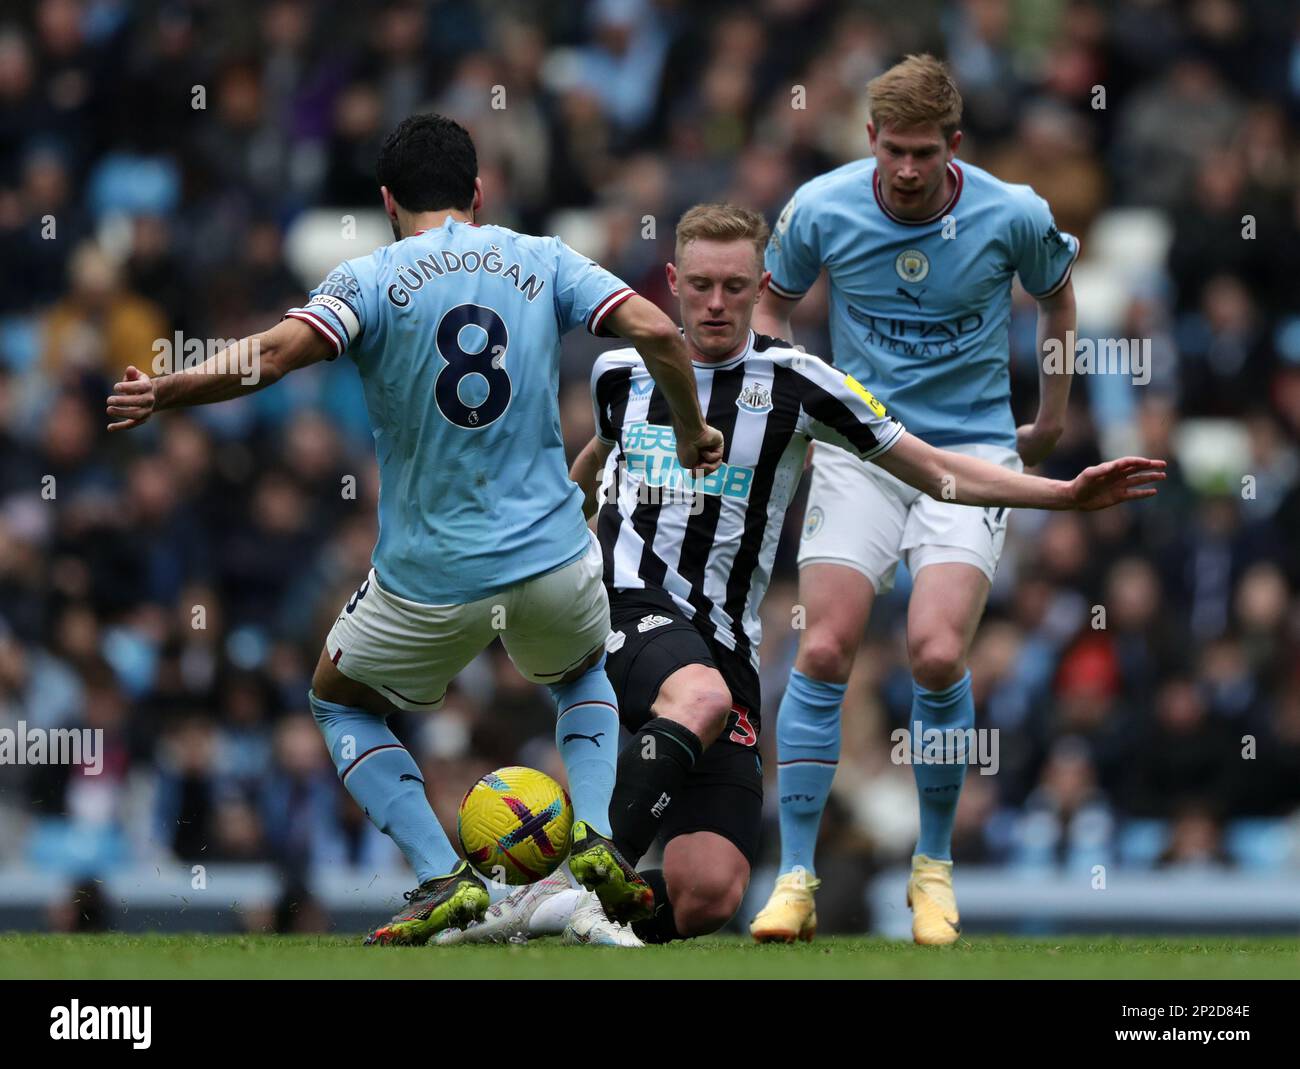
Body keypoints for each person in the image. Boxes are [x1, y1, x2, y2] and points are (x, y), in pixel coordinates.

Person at [439, 203, 1161, 946]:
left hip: (724, 639)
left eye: (734, 286)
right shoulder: (621, 369)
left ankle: (517, 920)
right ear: (673, 282)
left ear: (761, 288)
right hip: (620, 604)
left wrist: (1064, 495)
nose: (716, 303)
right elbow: (594, 467)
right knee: (699, 694)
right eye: (701, 285)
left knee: (708, 893)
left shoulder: (800, 383)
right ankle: (571, 885)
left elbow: (936, 467)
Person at [103, 113, 724, 945]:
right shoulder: (541, 257)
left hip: (430, 577)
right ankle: (601, 840)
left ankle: (443, 877)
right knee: (580, 676)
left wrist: (166, 392)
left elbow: (277, 355)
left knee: (338, 703)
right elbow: (654, 328)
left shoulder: (366, 278)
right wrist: (689, 430)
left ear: (389, 202)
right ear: (477, 191)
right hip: (554, 557)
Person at [749, 53, 1084, 945]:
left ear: (954, 147)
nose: (904, 169)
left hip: (970, 451)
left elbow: (1058, 302)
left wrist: (1047, 418)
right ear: (869, 140)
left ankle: (931, 867)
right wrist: (799, 400)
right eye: (892, 150)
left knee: (935, 654)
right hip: (862, 446)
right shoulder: (821, 208)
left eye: (923, 153)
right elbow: (770, 312)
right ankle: (792, 876)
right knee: (821, 644)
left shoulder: (1014, 214)